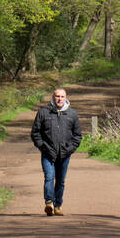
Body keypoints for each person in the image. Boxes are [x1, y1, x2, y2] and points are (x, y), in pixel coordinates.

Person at [30, 87, 82, 216]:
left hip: (64, 154)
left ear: (66, 98)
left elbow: (77, 135)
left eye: (62, 97)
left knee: (60, 181)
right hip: (48, 153)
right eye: (57, 96)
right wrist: (42, 146)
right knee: (49, 177)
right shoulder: (43, 112)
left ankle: (58, 205)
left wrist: (70, 149)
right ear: (53, 98)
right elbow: (35, 132)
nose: (59, 99)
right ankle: (49, 203)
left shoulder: (72, 114)